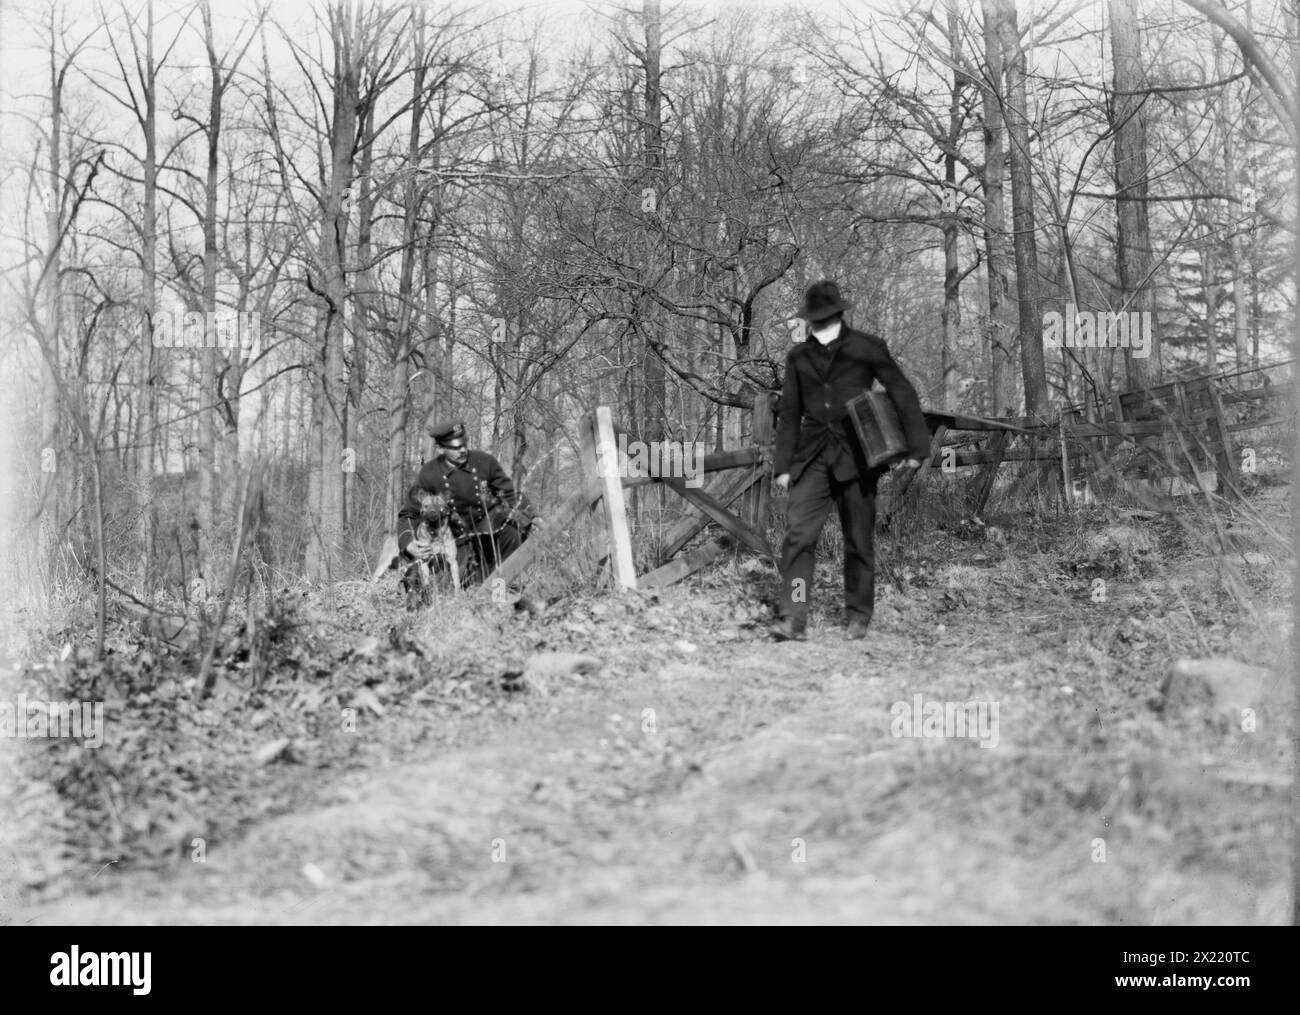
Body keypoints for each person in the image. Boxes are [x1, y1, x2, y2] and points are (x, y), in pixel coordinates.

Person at [771, 280, 931, 642]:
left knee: (858, 540)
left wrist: (917, 447)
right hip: (810, 458)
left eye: (826, 319)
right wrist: (783, 466)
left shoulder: (867, 348)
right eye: (815, 320)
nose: (820, 326)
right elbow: (791, 410)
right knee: (799, 537)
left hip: (859, 456)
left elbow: (901, 390)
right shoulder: (798, 357)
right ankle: (792, 616)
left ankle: (858, 614)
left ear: (840, 315)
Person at [398, 419, 539, 586]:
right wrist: (408, 543)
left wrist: (533, 516)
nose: (463, 450)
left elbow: (508, 493)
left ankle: (499, 589)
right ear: (441, 448)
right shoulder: (429, 473)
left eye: (464, 444)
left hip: (488, 535)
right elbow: (409, 513)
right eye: (456, 447)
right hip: (456, 542)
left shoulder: (484, 462)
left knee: (511, 533)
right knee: (436, 585)